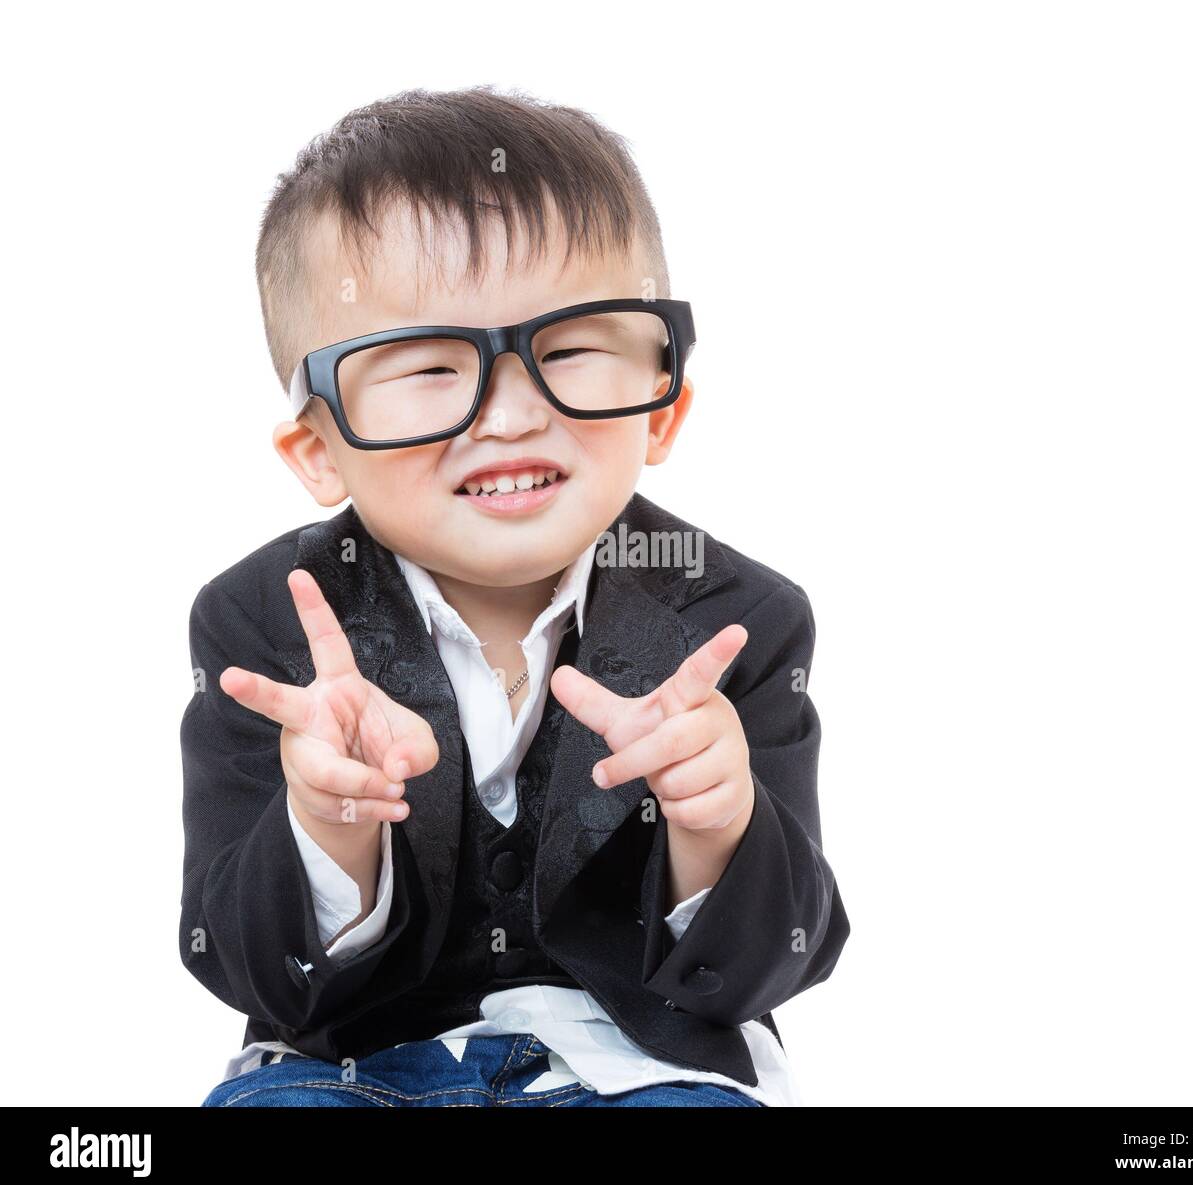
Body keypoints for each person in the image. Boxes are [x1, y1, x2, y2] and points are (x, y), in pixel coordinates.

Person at [182, 85, 849, 1107]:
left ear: (661, 407)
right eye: (429, 367)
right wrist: (327, 822)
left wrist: (718, 823)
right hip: (348, 1066)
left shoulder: (737, 620)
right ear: (318, 452)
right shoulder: (267, 624)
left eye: (573, 349)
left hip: (641, 1069)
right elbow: (244, 968)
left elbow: (780, 960)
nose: (510, 412)